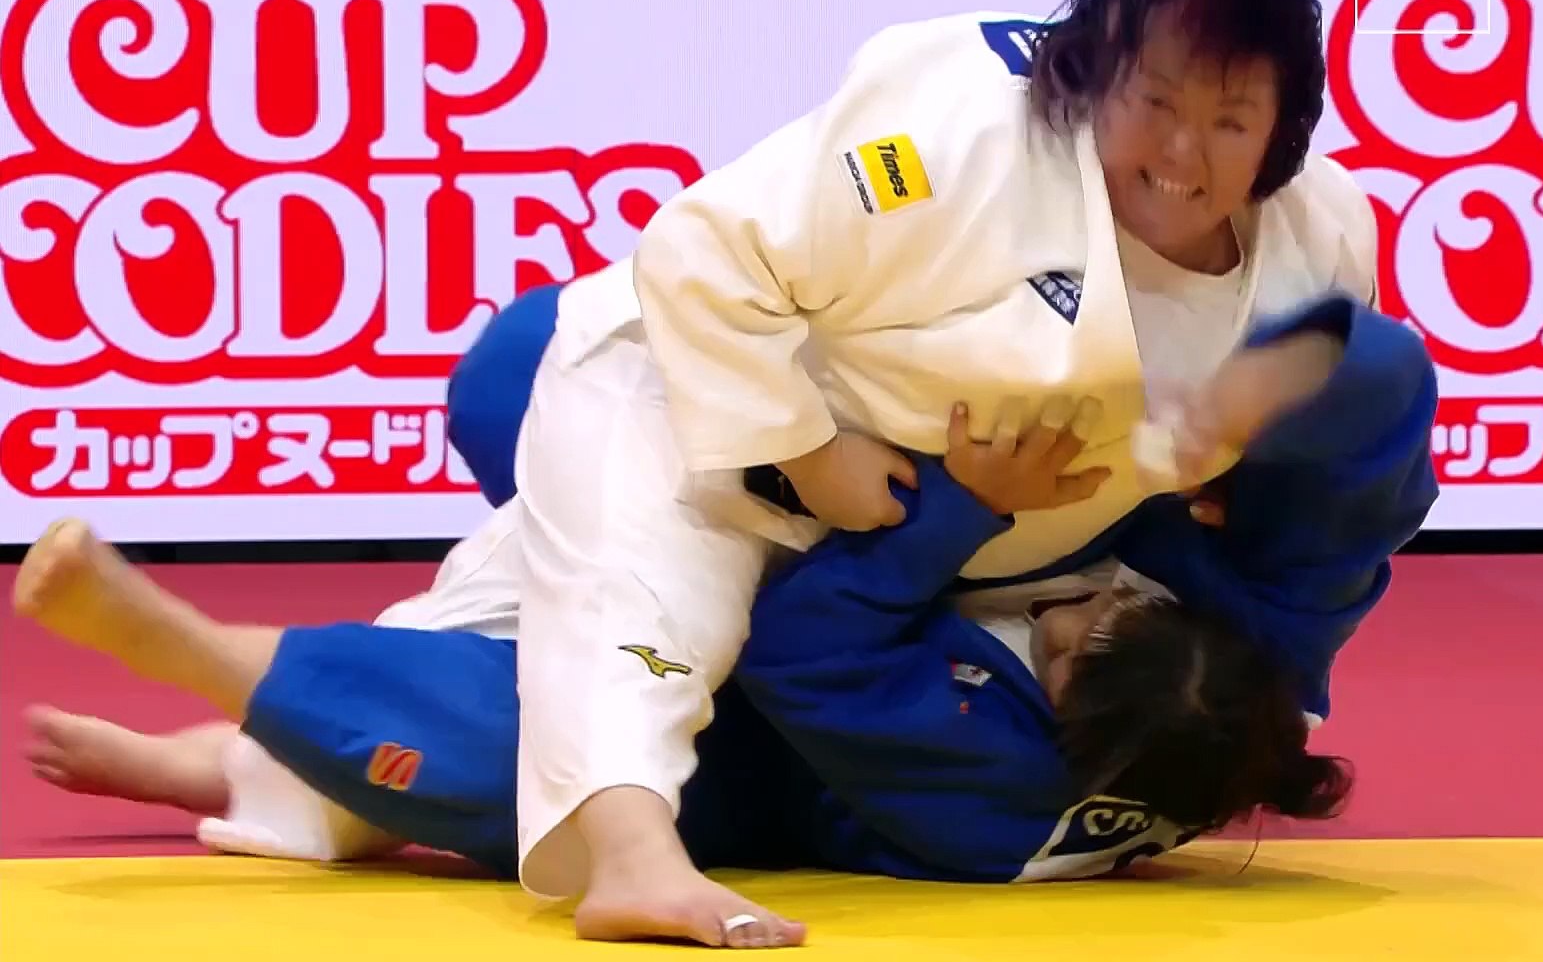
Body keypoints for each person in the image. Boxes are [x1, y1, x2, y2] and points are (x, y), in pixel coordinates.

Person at [486, 0, 1376, 942]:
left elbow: (1310, 447)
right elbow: (704, 252)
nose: (1184, 153)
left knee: (488, 622)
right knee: (656, 608)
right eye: (1156, 103)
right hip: (704, 391)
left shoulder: (1321, 241)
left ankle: (305, 769)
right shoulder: (955, 136)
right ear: (1100, 75)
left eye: (1230, 123)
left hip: (937, 527)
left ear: (1282, 135)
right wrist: (812, 453)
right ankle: (637, 866)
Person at [17, 292, 1437, 948]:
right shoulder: (1251, 636)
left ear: (1062, 719)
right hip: (763, 525)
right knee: (528, 374)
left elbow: (807, 653)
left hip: (744, 705)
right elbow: (1384, 436)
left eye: (1061, 643)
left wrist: (962, 511)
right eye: (1099, 601)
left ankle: (201, 703)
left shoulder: (999, 801)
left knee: (542, 765)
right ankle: (238, 761)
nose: (1075, 601)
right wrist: (1242, 394)